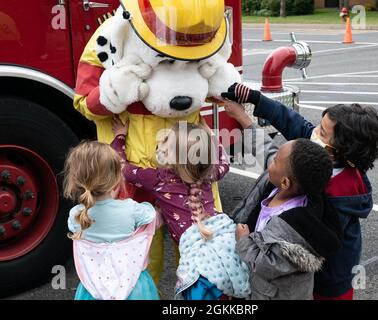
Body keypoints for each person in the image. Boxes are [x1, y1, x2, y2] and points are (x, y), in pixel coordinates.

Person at [222, 83, 378, 300]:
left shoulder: (324, 191)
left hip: (324, 284)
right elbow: (295, 122)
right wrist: (256, 99)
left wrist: (245, 122)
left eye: (322, 132)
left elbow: (274, 159)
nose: (313, 132)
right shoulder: (327, 160)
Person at [111, 117, 250, 300]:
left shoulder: (160, 179)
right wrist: (210, 135)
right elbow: (224, 162)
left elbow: (122, 168)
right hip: (226, 240)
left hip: (200, 265)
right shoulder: (209, 173)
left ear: (170, 155)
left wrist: (120, 136)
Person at [235, 138, 342, 299]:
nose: (271, 161)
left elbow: (263, 264)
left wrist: (243, 241)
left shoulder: (291, 230)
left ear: (285, 182)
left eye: (275, 160)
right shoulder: (279, 188)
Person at [64, 141, 159, 300]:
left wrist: (106, 200)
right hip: (134, 288)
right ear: (116, 179)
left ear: (75, 180)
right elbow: (151, 214)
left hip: (93, 289)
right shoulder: (131, 209)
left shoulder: (76, 215)